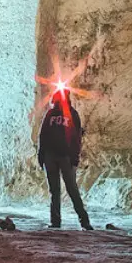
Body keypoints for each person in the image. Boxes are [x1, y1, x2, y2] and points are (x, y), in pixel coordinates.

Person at [37, 86, 93, 230]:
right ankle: (55, 222)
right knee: (54, 190)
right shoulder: (50, 114)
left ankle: (84, 221)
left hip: (66, 157)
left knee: (72, 189)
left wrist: (75, 157)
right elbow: (43, 135)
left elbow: (76, 137)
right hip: (50, 156)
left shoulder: (73, 114)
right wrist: (41, 154)